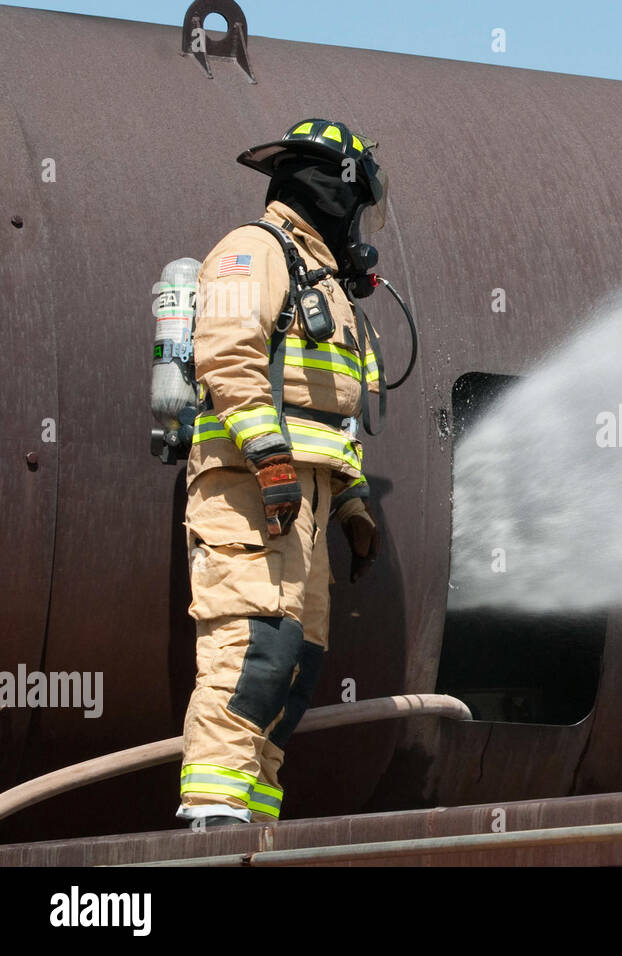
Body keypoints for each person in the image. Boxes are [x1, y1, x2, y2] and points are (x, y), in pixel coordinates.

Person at [175, 118, 388, 826]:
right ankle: (211, 819)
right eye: (360, 204)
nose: (361, 224)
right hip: (248, 491)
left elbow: (331, 418)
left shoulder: (324, 282)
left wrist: (354, 506)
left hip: (308, 503)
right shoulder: (254, 251)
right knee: (250, 652)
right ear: (336, 191)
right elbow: (228, 358)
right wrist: (267, 458)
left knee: (292, 672)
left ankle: (252, 822)